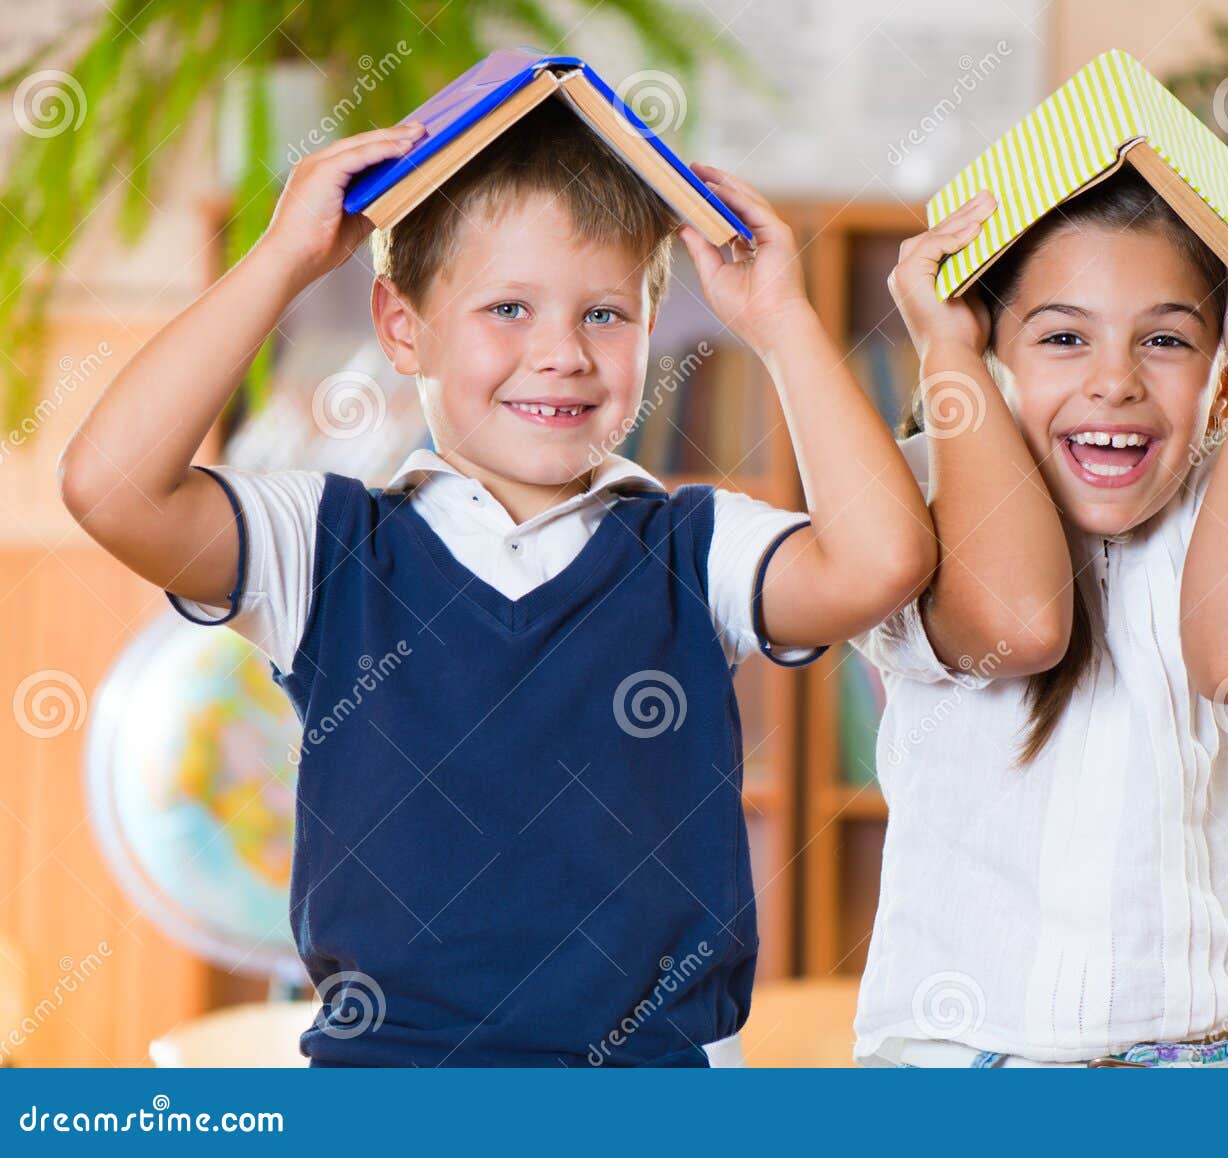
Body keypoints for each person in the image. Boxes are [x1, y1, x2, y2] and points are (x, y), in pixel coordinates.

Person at [59, 101, 935, 1067]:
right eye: (508, 308)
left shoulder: (699, 544)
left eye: (604, 314)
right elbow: (111, 486)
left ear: (650, 329)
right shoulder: (327, 545)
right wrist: (281, 262)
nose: (562, 351)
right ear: (402, 327)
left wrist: (781, 323)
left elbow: (880, 562)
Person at [853, 169, 1228, 1067]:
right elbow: (1022, 622)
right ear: (994, 361)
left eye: (1166, 339)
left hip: (1218, 1062)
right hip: (961, 1058)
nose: (1115, 382)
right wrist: (944, 352)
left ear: (1222, 373)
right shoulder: (919, 504)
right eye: (1061, 338)